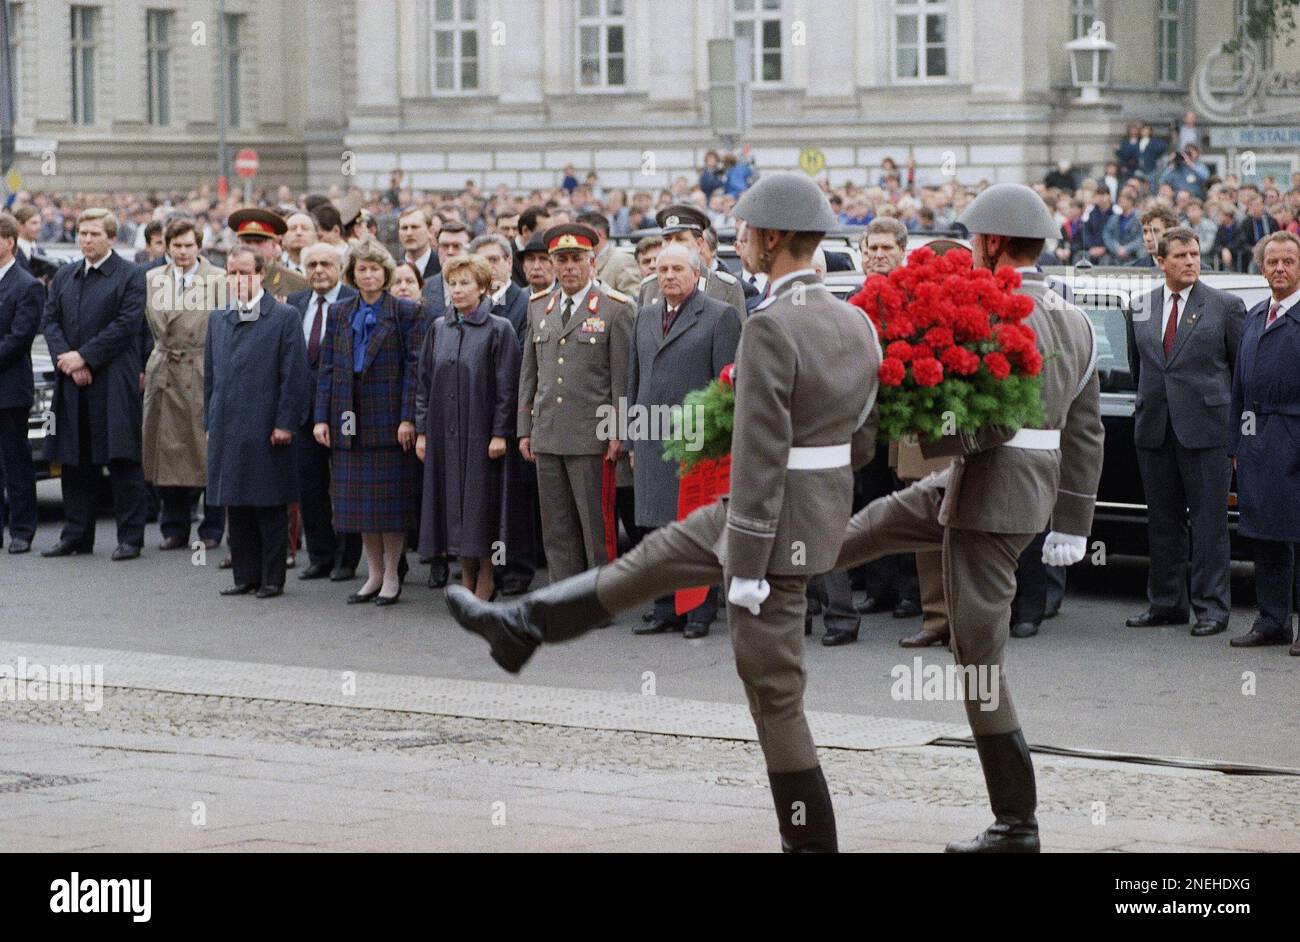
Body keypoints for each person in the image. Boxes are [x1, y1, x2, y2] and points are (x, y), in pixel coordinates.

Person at [448, 174, 880, 853]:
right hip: (805, 510)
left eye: (745, 234)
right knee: (655, 558)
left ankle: (811, 844)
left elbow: (762, 450)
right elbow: (861, 437)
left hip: (765, 523)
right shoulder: (855, 321)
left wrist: (744, 560)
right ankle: (525, 625)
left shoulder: (771, 325)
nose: (740, 244)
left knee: (774, 692)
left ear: (771, 239)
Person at [835, 183, 1103, 852]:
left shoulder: (996, 313)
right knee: (869, 528)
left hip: (988, 500)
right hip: (1007, 491)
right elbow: (1086, 430)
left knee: (979, 665)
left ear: (988, 245)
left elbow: (989, 424)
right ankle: (777, 555)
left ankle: (1017, 823)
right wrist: (1071, 521)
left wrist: (914, 426)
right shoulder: (1075, 319)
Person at [1125, 228, 1245, 637]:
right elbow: (1140, 370)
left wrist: (1238, 437)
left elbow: (1239, 372)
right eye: (1180, 255)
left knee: (1210, 524)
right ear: (1161, 262)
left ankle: (1211, 608)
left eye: (1195, 254)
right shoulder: (1139, 307)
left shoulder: (1225, 306)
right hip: (1156, 429)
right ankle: (1166, 603)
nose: (1191, 261)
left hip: (1207, 431)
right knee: (1162, 521)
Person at [627, 241, 741, 639]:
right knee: (657, 528)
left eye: (677, 269)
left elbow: (726, 385)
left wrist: (718, 442)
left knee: (693, 528)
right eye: (662, 270)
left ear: (696, 274)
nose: (669, 276)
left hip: (697, 440)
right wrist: (631, 440)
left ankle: (697, 611)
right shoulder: (644, 316)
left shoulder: (719, 316)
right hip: (651, 437)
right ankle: (664, 608)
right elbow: (635, 379)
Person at [517, 224, 635, 582]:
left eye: (576, 259)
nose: (568, 267)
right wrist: (525, 429)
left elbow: (622, 380)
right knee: (556, 524)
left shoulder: (616, 309)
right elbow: (529, 374)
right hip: (549, 432)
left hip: (591, 437)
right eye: (561, 260)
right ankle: (564, 593)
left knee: (595, 525)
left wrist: (619, 433)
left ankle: (599, 595)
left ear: (592, 262)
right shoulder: (539, 306)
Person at [313, 237, 422, 606]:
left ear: (386, 273)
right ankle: (373, 574)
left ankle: (392, 574)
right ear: (353, 274)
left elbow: (414, 369)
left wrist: (409, 417)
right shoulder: (341, 312)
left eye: (375, 269)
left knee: (389, 507)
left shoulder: (404, 312)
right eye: (362, 269)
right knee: (358, 506)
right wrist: (321, 418)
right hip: (347, 415)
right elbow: (327, 367)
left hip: (388, 416)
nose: (369, 275)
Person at [41, 208, 149, 560]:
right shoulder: (66, 274)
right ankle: (76, 535)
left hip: (113, 379)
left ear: (111, 237)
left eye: (94, 234)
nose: (87, 240)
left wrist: (85, 357)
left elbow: (125, 325)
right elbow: (51, 320)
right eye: (82, 233)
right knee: (75, 461)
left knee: (122, 460)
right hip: (73, 381)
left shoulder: (130, 275)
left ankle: (130, 537)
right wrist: (69, 361)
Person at [205, 245, 309, 598]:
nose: (237, 280)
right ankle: (244, 575)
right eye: (231, 274)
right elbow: (211, 375)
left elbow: (293, 375)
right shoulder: (218, 317)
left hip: (266, 424)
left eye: (244, 273)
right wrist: (210, 420)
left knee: (268, 503)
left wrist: (284, 422)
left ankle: (271, 577)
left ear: (261, 274)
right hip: (228, 423)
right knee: (237, 502)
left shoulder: (283, 317)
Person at [415, 254, 520, 600]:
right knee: (452, 507)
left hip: (480, 435)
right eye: (453, 284)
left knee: (481, 508)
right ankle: (466, 573)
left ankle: (486, 575)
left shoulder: (498, 329)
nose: (457, 290)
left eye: (465, 283)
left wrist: (499, 433)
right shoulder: (439, 329)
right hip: (444, 433)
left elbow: (507, 388)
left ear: (482, 288)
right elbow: (424, 384)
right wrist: (422, 431)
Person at [1228, 231, 1300, 655]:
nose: (1279, 268)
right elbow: (1239, 386)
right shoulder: (1256, 316)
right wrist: (1236, 444)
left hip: (1294, 437)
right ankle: (1272, 622)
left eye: (1288, 261)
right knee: (1266, 535)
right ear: (1261, 268)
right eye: (1272, 262)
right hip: (1258, 443)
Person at [142, 217, 226, 552]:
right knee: (168, 450)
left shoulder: (218, 279)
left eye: (189, 245)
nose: (182, 252)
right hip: (165, 368)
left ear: (199, 245)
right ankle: (174, 527)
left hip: (201, 367)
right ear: (166, 246)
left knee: (208, 451)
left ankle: (212, 527)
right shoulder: (152, 278)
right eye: (176, 245)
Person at [287, 242, 362, 582]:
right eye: (312, 263)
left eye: (326, 264)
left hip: (343, 409)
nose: (318, 270)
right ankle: (321, 555)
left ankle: (348, 558)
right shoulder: (295, 303)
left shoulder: (353, 300)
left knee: (345, 485)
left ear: (340, 267)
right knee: (310, 486)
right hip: (303, 410)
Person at [0, 213, 45, 554]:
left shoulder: (26, 285)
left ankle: (22, 529)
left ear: (9, 242)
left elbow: (19, 338)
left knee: (16, 461)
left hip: (10, 387)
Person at [638, 205, 745, 318]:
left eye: (680, 239)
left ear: (699, 244)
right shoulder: (649, 287)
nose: (672, 245)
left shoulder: (725, 288)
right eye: (667, 239)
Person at [227, 208, 309, 301]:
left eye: (259, 242)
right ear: (238, 244)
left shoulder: (297, 283)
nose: (253, 248)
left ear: (274, 245)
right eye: (247, 242)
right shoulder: (223, 283)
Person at [581, 212, 640, 296]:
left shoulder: (622, 260)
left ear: (599, 234)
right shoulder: (583, 261)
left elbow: (632, 301)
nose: (577, 239)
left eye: (582, 233)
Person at [398, 206, 441, 281]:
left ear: (430, 231)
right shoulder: (391, 271)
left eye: (414, 227)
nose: (409, 233)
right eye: (404, 228)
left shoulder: (442, 267)